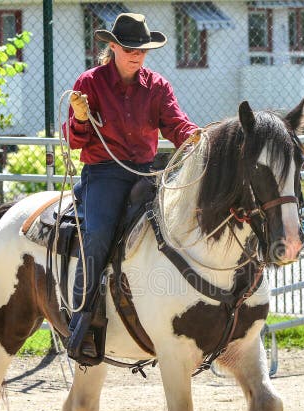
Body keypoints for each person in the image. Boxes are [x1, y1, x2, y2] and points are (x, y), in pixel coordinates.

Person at [63, 12, 199, 365]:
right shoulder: (89, 83)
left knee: (178, 227)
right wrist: (79, 117)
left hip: (146, 173)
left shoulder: (157, 87)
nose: (137, 54)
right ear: (113, 48)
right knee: (98, 235)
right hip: (103, 173)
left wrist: (197, 137)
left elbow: (176, 124)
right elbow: (75, 142)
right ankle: (81, 319)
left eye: (142, 49)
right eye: (130, 48)